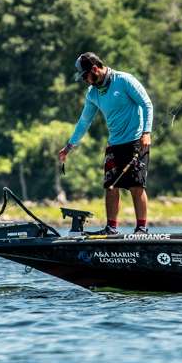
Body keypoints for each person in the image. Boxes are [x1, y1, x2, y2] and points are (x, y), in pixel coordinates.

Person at [58, 52, 153, 235]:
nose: (85, 80)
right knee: (110, 186)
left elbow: (146, 104)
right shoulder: (93, 93)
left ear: (95, 69)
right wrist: (69, 146)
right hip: (114, 144)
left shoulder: (124, 80)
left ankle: (141, 228)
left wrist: (146, 132)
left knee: (136, 185)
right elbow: (84, 121)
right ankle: (111, 228)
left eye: (85, 76)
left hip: (136, 141)